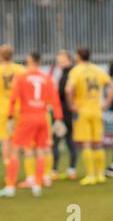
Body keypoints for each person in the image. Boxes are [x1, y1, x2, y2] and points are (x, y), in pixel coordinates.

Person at [0, 51, 65, 198]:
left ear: (30, 61)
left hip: (26, 117)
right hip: (42, 117)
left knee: (15, 150)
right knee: (41, 150)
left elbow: (13, 98)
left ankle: (10, 187)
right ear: (40, 62)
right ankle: (37, 185)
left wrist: (10, 117)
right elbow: (55, 101)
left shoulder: (22, 77)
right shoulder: (46, 78)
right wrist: (59, 119)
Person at [65, 48, 113, 186]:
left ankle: (91, 175)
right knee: (98, 143)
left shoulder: (76, 71)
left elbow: (68, 89)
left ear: (78, 56)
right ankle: (100, 175)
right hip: (96, 110)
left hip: (83, 110)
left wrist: (71, 104)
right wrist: (106, 102)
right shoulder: (97, 70)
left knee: (87, 143)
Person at [52, 50, 78, 180]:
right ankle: (72, 170)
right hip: (68, 112)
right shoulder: (71, 73)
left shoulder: (68, 74)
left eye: (61, 59)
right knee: (69, 140)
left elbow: (65, 93)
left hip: (62, 113)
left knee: (56, 141)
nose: (59, 62)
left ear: (69, 59)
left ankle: (54, 170)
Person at [0, 45, 25, 176]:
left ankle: (8, 173)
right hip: (19, 108)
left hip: (3, 109)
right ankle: (15, 172)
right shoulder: (20, 70)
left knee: (5, 140)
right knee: (17, 141)